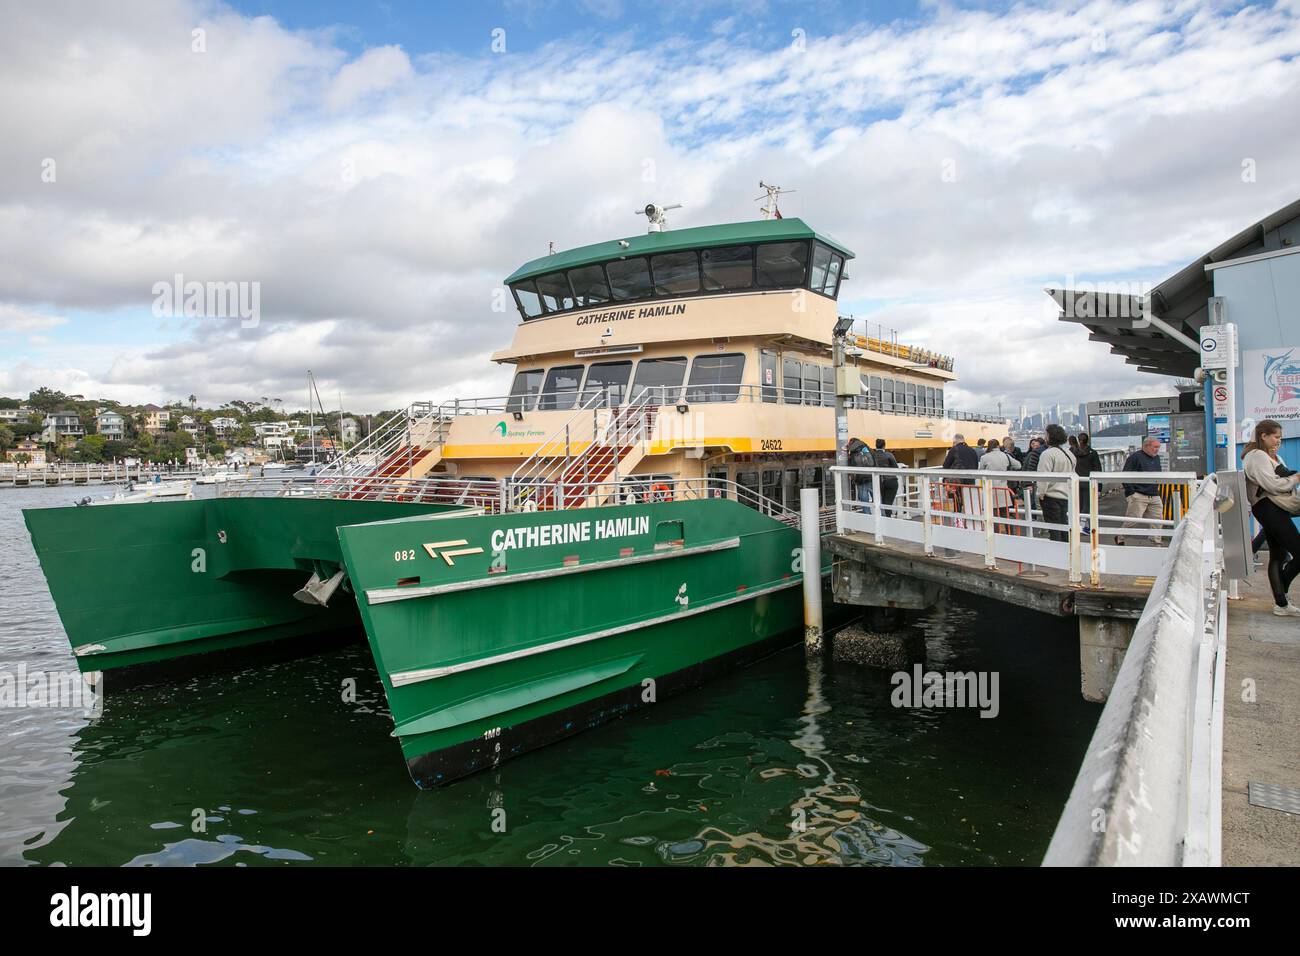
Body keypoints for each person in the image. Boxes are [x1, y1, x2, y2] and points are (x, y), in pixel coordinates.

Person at [1242, 420, 1300, 616]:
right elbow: (1273, 485)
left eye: (1281, 438)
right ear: (1263, 436)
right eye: (1276, 436)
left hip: (1270, 509)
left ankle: (1281, 604)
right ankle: (1281, 595)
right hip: (1269, 508)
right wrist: (1295, 479)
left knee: (1278, 555)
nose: (1279, 441)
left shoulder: (1265, 456)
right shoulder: (1257, 456)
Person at [1115, 437, 1163, 546]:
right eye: (1155, 447)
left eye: (1158, 447)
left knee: (1158, 520)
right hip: (1139, 494)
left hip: (1154, 494)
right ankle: (1120, 537)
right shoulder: (1135, 457)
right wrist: (1132, 493)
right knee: (1133, 520)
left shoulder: (1156, 458)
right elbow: (1125, 475)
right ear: (1146, 446)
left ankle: (1156, 541)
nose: (1157, 449)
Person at [1035, 424, 1076, 542]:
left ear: (1049, 436)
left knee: (1053, 529)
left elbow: (1043, 477)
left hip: (1051, 496)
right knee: (1064, 526)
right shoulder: (1069, 453)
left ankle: (1057, 555)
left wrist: (1040, 494)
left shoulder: (1047, 454)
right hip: (1065, 495)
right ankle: (1067, 552)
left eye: (1046, 434)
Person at [978, 436, 1021, 532]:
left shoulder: (984, 457)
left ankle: (996, 535)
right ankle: (1010, 533)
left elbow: (980, 472)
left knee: (993, 515)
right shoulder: (1005, 456)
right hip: (1003, 490)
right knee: (1005, 514)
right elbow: (1018, 465)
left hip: (991, 490)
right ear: (998, 446)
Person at [1074, 432, 1103, 526]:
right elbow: (1097, 469)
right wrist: (1099, 487)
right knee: (1087, 506)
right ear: (1088, 441)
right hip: (1089, 483)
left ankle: (1077, 525)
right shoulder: (1093, 453)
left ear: (1079, 440)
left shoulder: (1073, 453)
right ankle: (1085, 525)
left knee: (1077, 505)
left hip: (1076, 482)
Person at [873, 438, 900, 514]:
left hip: (879, 481)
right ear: (884, 446)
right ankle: (888, 518)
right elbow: (896, 468)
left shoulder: (873, 455)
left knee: (882, 501)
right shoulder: (889, 455)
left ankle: (884, 518)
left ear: (876, 445)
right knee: (888, 502)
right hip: (891, 480)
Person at [846, 437, 874, 503]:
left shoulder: (851, 451)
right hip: (870, 475)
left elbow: (850, 463)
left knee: (864, 501)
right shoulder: (865, 447)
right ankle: (882, 513)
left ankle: (866, 513)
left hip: (859, 478)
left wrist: (850, 475)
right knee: (877, 497)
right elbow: (873, 456)